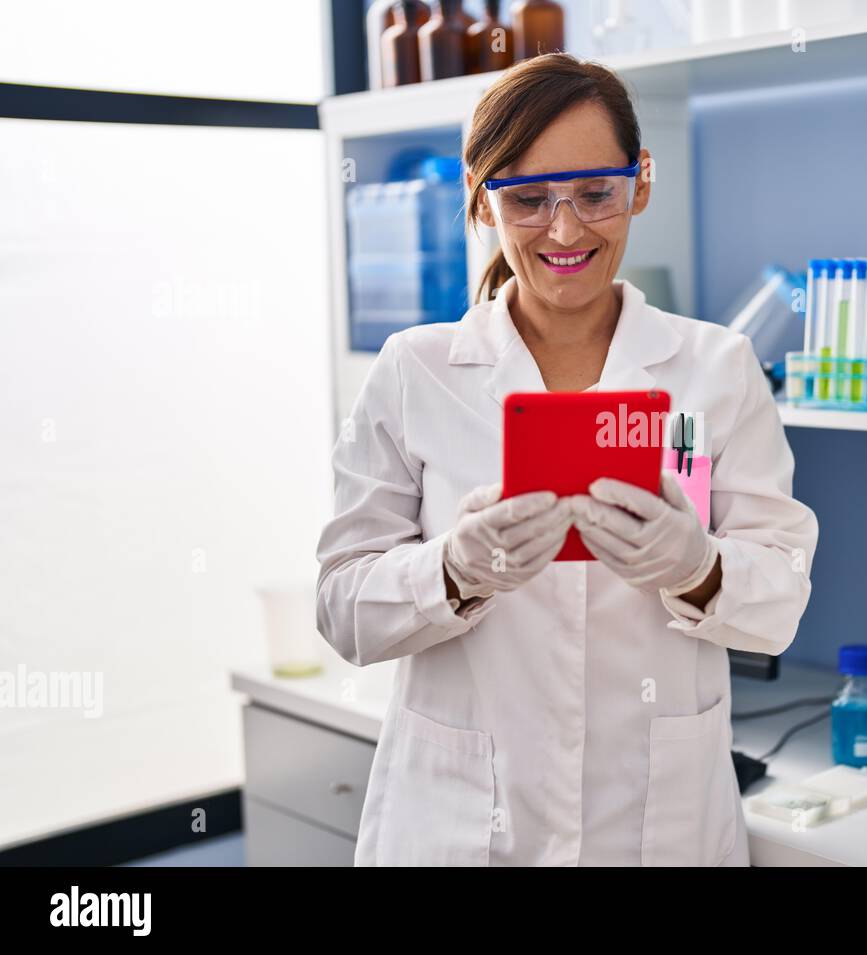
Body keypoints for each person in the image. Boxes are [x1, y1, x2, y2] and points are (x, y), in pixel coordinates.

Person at [316, 53, 818, 866]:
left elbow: (782, 598)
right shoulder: (416, 371)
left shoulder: (716, 369)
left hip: (658, 824)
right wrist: (451, 571)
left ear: (640, 183)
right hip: (461, 823)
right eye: (527, 200)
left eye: (595, 194)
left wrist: (698, 567)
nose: (565, 230)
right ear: (482, 201)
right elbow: (342, 607)